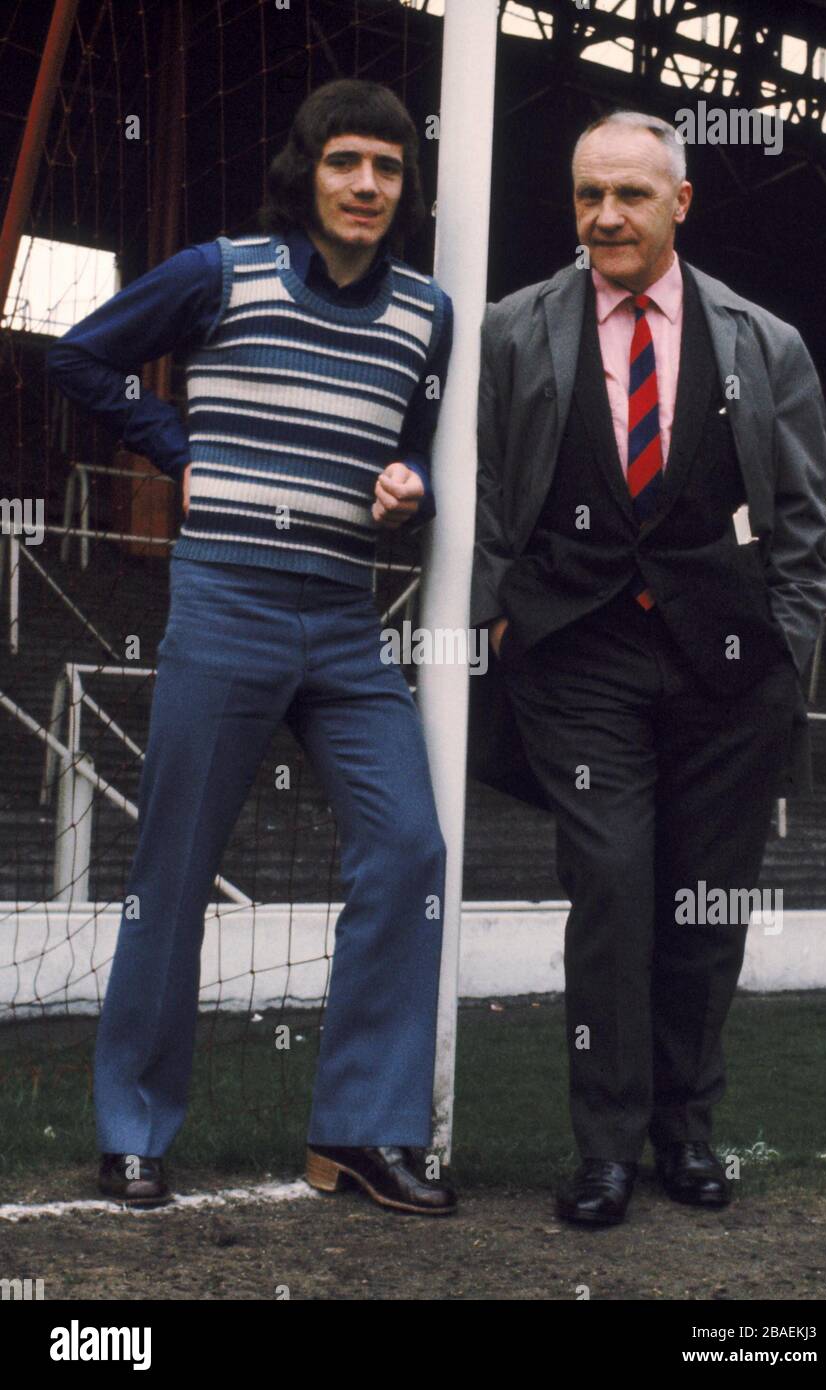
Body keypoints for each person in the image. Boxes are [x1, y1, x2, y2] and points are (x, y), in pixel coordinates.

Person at [46, 78, 457, 1217]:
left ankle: (361, 1134)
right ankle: (132, 1130)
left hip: (344, 615)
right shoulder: (223, 270)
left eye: (385, 166)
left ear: (404, 183)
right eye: (345, 163)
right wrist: (177, 445)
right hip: (226, 599)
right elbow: (77, 357)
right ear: (307, 173)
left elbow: (411, 450)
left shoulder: (430, 312)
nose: (367, 184)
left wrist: (410, 488)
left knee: (411, 852)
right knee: (171, 869)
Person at [469, 110, 826, 1226]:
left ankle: (689, 1134)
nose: (606, 217)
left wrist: (783, 652)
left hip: (729, 669)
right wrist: (494, 617)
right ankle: (607, 1150)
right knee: (615, 893)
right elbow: (484, 490)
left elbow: (805, 521)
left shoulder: (765, 343)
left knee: (701, 908)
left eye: (630, 195)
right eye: (588, 196)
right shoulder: (513, 330)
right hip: (578, 657)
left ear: (682, 201)